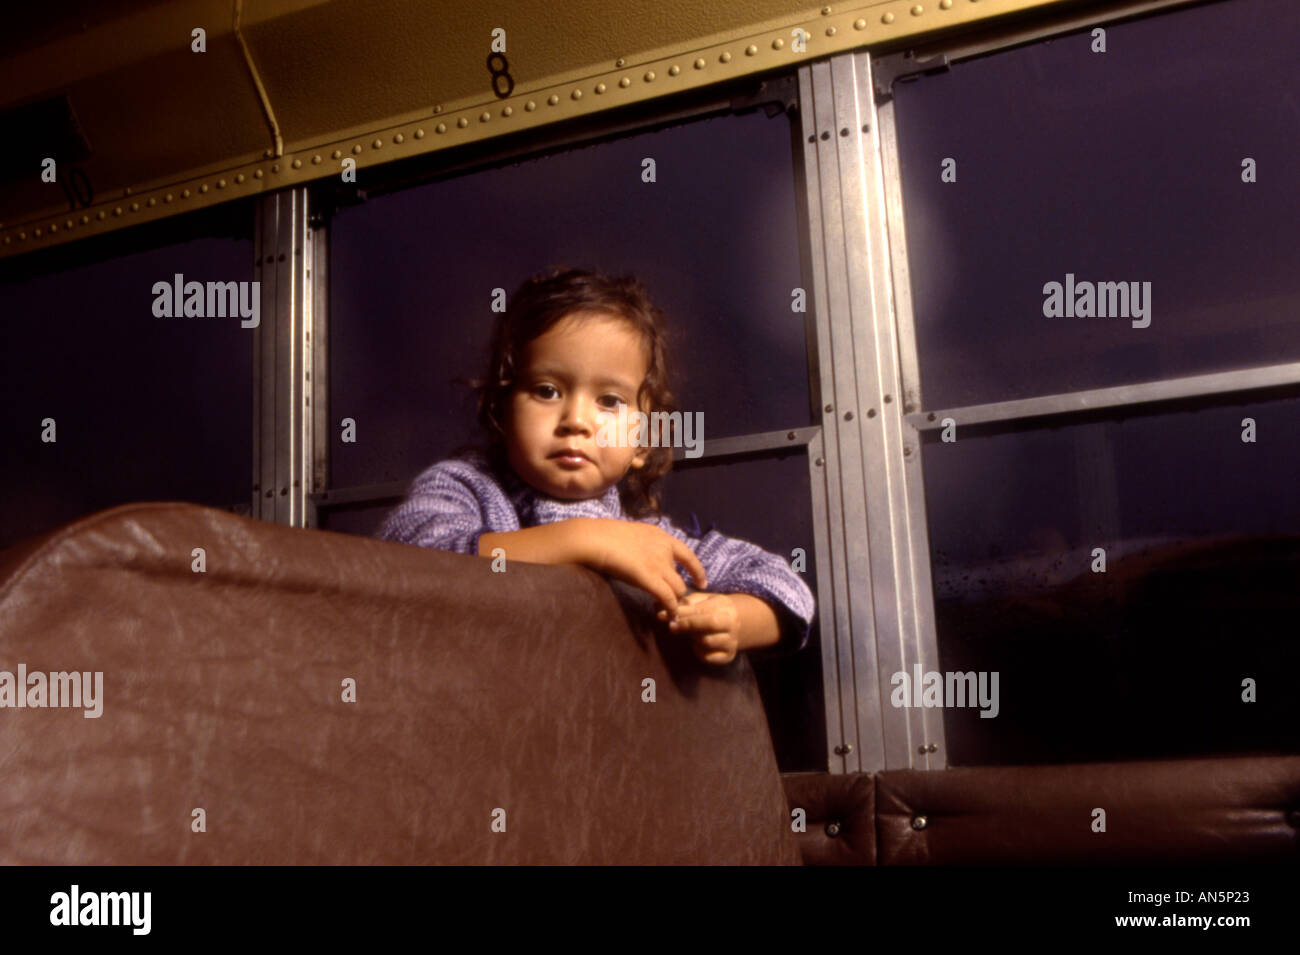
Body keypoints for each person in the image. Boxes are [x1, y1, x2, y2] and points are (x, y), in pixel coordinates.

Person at [377, 266, 814, 665]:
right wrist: (587, 540)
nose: (576, 421)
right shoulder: (468, 489)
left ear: (643, 441)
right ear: (500, 412)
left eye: (609, 401)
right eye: (547, 391)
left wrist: (736, 618)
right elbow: (405, 562)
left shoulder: (653, 543)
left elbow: (786, 588)